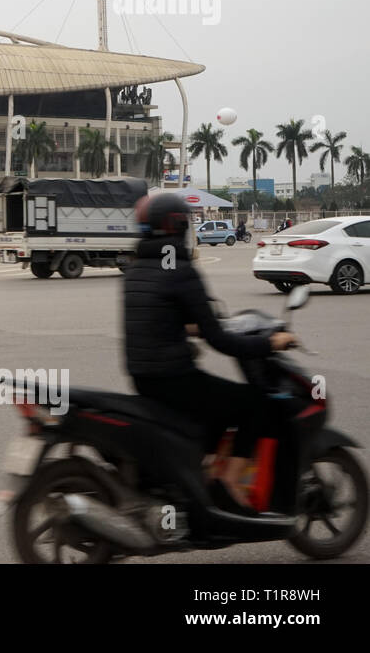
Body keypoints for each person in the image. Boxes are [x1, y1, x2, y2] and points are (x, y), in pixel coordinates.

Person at [123, 193, 296, 514]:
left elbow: (158, 316)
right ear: (178, 227)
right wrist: (270, 344)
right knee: (254, 404)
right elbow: (220, 341)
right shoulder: (180, 271)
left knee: (216, 408)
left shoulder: (135, 269)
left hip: (143, 377)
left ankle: (203, 474)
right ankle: (229, 483)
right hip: (173, 377)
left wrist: (191, 326)